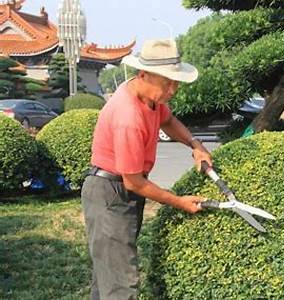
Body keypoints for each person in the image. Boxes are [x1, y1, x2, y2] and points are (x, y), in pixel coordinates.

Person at [81, 39, 212, 300]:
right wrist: (179, 202)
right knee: (121, 286)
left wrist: (194, 144)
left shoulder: (150, 97)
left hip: (120, 189)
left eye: (176, 82)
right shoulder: (128, 116)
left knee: (110, 275)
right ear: (144, 74)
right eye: (167, 82)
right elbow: (134, 183)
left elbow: (169, 120)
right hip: (110, 193)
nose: (173, 89)